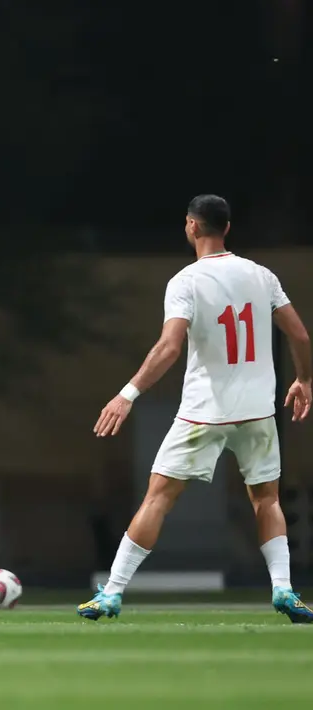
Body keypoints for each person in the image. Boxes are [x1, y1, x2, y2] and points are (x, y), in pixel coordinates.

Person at [80, 195, 313, 623]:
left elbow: (170, 346)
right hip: (257, 411)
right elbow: (299, 335)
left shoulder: (186, 281)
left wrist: (127, 394)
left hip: (204, 411)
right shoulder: (262, 275)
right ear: (228, 228)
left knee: (158, 498)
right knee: (267, 499)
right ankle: (283, 588)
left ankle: (111, 593)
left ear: (191, 225)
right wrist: (304, 379)